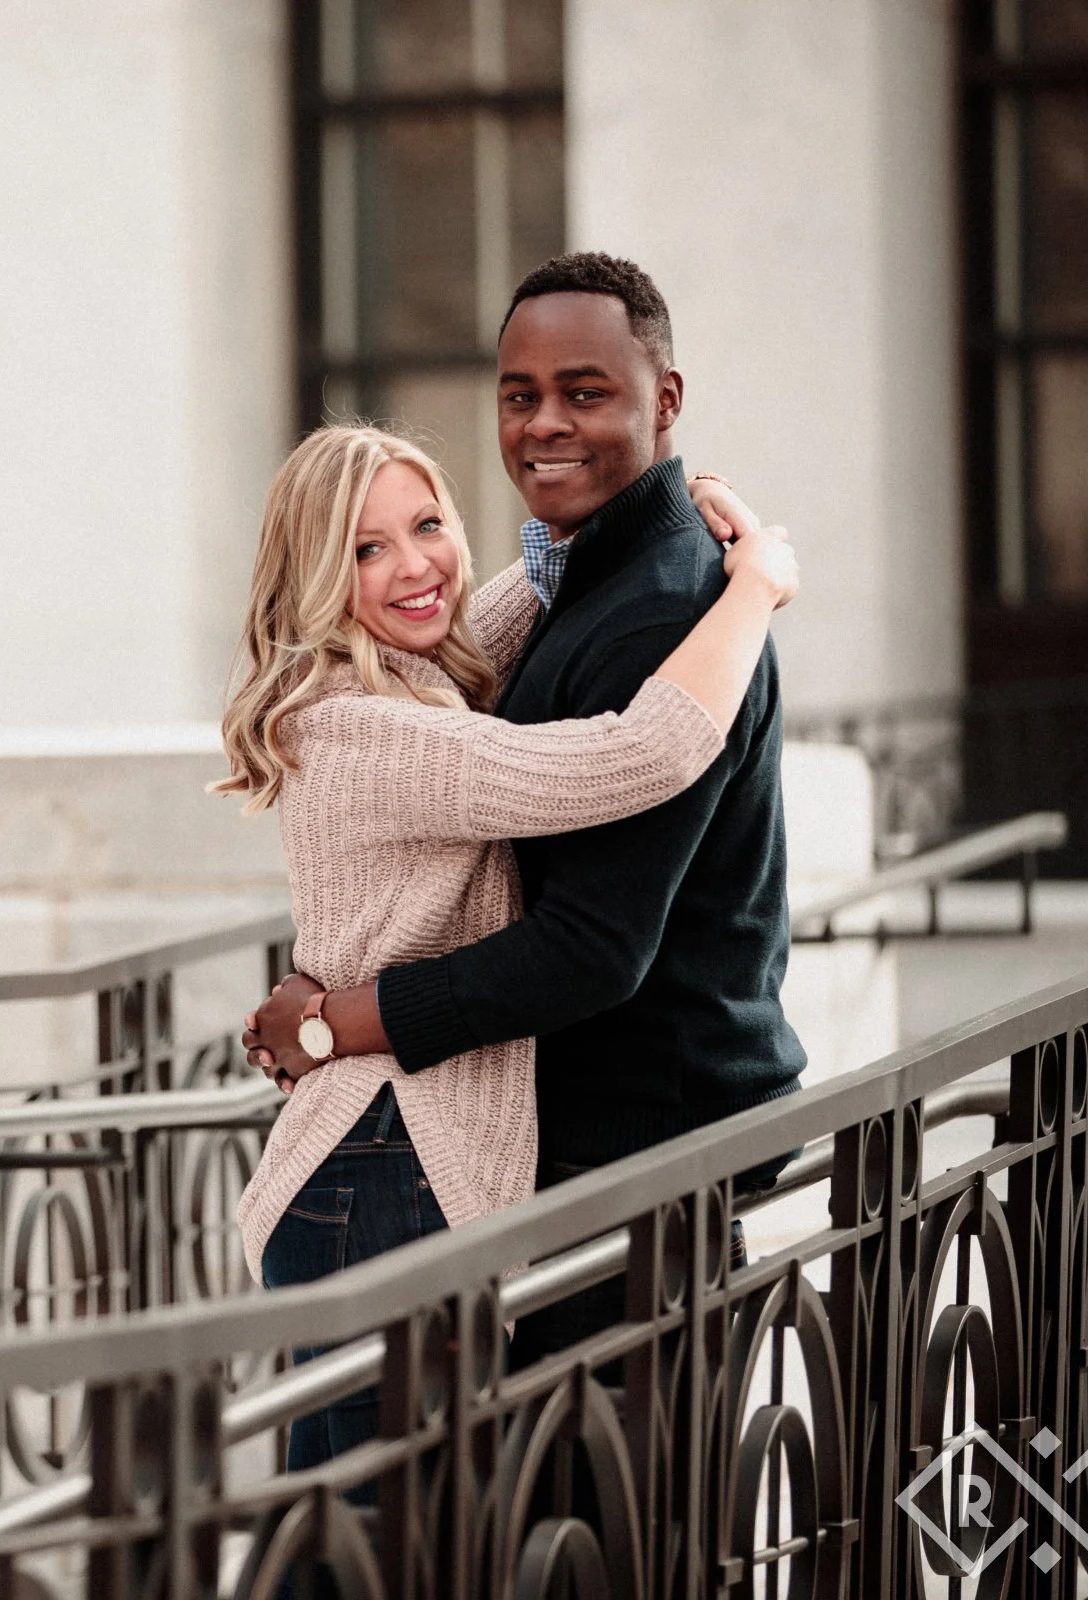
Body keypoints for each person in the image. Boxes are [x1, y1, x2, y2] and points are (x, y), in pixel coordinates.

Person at [245, 252, 811, 1374]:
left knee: (480, 1527)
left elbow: (592, 928)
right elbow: (525, 651)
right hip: (469, 1161)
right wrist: (747, 574)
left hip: (629, 1155)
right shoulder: (386, 706)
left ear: (666, 398)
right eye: (519, 396)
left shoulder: (649, 602)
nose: (545, 424)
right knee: (397, 1532)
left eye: (584, 392)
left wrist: (337, 1019)